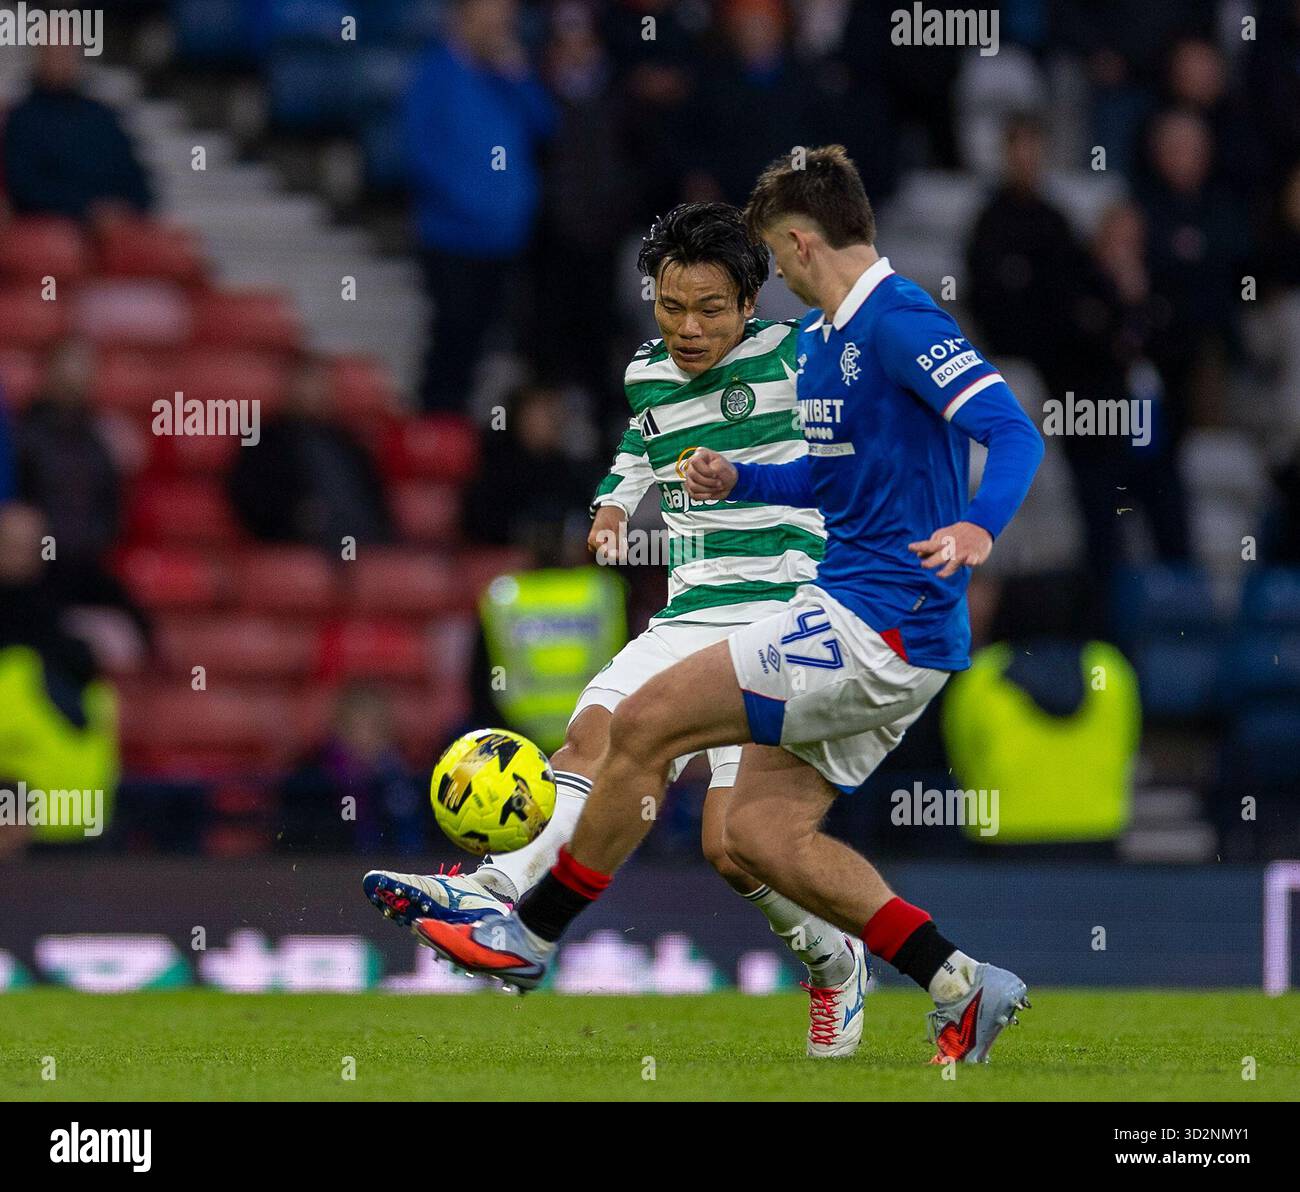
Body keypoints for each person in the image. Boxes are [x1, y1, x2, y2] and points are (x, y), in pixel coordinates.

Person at [413, 148, 1044, 1065]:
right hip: (869, 620)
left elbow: (1011, 430)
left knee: (644, 725)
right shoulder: (829, 343)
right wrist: (740, 474)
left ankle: (528, 935)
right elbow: (832, 478)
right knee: (754, 836)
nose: (774, 277)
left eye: (772, 260)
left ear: (796, 241)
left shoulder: (900, 321)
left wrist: (981, 527)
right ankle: (960, 979)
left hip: (879, 620)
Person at [363, 202, 871, 1059]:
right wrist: (611, 505)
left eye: (710, 307)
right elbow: (641, 445)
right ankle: (494, 889)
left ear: (751, 302)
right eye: (672, 306)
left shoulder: (802, 358)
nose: (689, 326)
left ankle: (834, 957)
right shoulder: (645, 373)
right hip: (689, 611)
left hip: (787, 615)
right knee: (593, 736)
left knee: (733, 847)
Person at [404, 0, 555, 410]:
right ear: (462, 19)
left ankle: (467, 441)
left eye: (504, 22)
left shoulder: (507, 77)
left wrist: (519, 76)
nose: (498, 30)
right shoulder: (435, 74)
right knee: (453, 345)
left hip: (505, 242)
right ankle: (436, 438)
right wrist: (471, 207)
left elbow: (546, 125)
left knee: (493, 354)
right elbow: (420, 154)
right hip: (453, 240)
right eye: (489, 19)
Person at [227, 353, 393, 549]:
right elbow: (251, 497)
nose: (312, 392)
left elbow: (374, 501)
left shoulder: (347, 442)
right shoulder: (265, 440)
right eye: (305, 384)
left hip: (357, 543)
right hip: (297, 543)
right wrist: (296, 519)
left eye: (319, 385)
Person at [2, 42, 153, 220]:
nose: (62, 60)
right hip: (54, 222)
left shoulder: (102, 115)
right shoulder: (22, 118)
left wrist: (122, 208)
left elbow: (135, 177)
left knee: (165, 242)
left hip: (112, 220)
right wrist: (86, 209)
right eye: (54, 53)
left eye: (68, 52)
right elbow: (26, 187)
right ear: (38, 57)